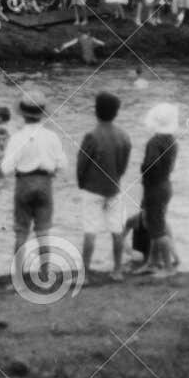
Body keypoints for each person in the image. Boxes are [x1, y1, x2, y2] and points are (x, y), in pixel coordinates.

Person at [0, 90, 66, 255]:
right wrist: (53, 170)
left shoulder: (17, 137)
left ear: (23, 114)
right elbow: (63, 164)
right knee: (43, 233)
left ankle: (18, 275)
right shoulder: (52, 136)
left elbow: (5, 168)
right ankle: (45, 275)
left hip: (24, 182)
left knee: (22, 232)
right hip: (45, 183)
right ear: (42, 113)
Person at [76, 91, 132, 279]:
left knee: (90, 231)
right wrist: (116, 178)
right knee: (116, 230)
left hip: (93, 188)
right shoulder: (124, 136)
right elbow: (123, 165)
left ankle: (84, 274)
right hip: (113, 189)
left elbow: (82, 163)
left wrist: (81, 183)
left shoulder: (91, 135)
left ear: (96, 111)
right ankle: (117, 270)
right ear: (116, 113)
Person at [138, 102, 180, 275]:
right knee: (157, 223)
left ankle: (168, 268)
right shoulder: (172, 141)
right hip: (166, 184)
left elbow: (150, 166)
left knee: (155, 228)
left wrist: (143, 170)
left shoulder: (154, 142)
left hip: (154, 187)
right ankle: (153, 262)